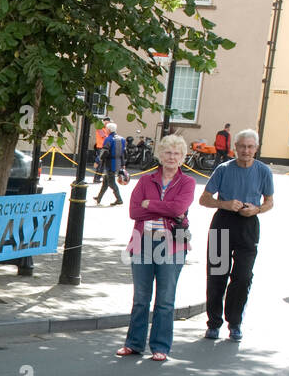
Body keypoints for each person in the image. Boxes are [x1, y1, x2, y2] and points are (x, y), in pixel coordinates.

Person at [115, 134, 195, 362]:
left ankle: (160, 346)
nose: (172, 157)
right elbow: (134, 211)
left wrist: (150, 205)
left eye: (177, 153)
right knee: (141, 297)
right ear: (160, 155)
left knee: (165, 299)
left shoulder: (187, 182)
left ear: (182, 157)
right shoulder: (145, 180)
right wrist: (165, 208)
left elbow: (180, 207)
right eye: (168, 152)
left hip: (172, 245)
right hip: (143, 241)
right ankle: (134, 343)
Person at [198, 128, 274, 342]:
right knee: (216, 275)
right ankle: (213, 323)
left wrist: (257, 209)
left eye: (250, 147)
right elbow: (204, 199)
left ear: (256, 149)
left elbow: (270, 201)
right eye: (242, 146)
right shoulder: (223, 169)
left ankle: (235, 322)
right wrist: (225, 204)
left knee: (243, 277)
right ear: (235, 148)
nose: (246, 150)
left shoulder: (263, 171)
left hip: (248, 224)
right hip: (223, 222)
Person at [95, 122, 125, 205]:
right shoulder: (122, 139)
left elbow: (104, 151)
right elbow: (123, 153)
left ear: (108, 130)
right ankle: (99, 198)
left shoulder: (108, 139)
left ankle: (119, 199)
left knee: (111, 183)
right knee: (105, 182)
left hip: (110, 163)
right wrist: (123, 164)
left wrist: (98, 161)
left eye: (106, 129)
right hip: (117, 163)